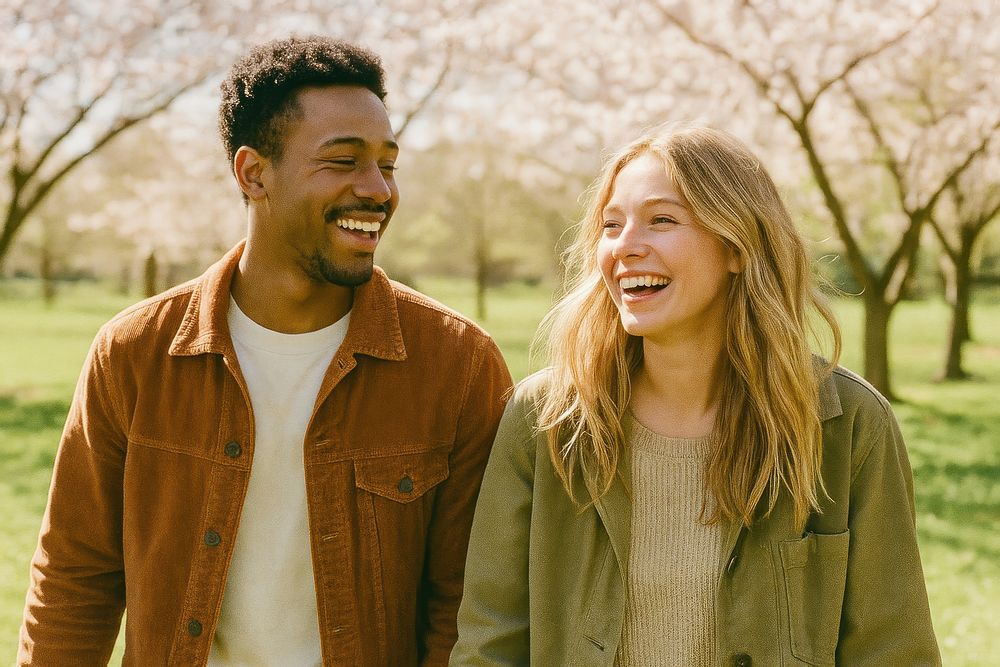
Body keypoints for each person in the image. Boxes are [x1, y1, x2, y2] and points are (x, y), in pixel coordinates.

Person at [18, 36, 512, 666]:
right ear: (254, 173)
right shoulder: (134, 354)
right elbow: (73, 581)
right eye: (343, 161)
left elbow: (466, 609)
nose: (379, 190)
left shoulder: (457, 365)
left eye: (387, 164)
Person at [450, 126, 940, 666]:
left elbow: (893, 651)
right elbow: (489, 640)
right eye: (611, 225)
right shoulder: (546, 420)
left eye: (662, 219)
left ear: (736, 245)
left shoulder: (846, 425)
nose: (625, 246)